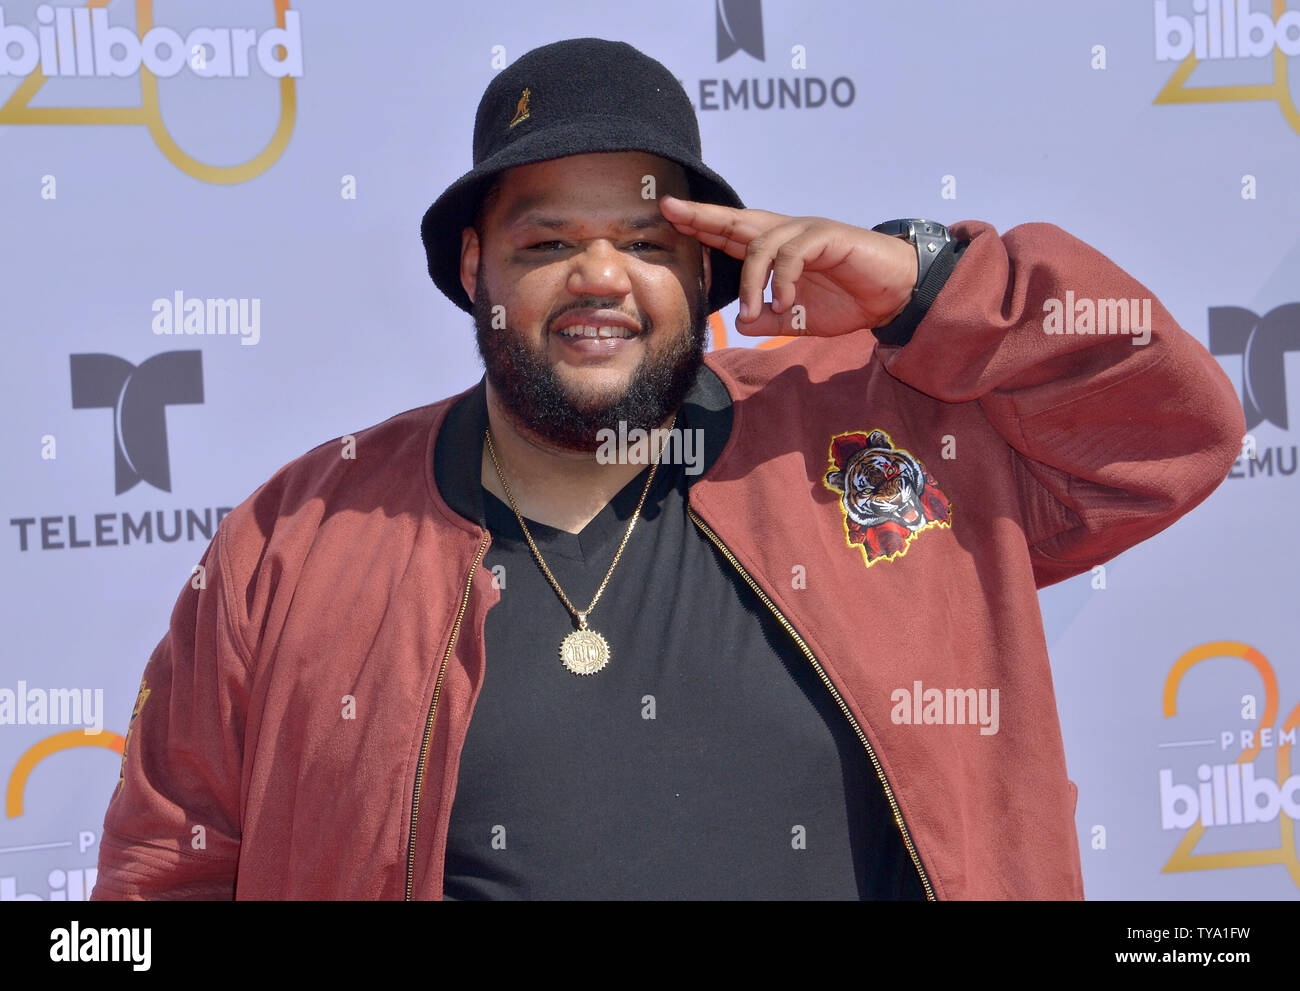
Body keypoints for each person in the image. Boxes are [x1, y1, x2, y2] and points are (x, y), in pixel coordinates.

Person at [91, 37, 1244, 901]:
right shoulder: (300, 535)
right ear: (474, 264)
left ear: (706, 272)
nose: (601, 277)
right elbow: (162, 874)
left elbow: (1165, 432)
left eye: (646, 244)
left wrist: (929, 289)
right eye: (547, 243)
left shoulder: (887, 431)